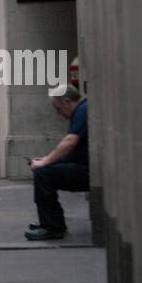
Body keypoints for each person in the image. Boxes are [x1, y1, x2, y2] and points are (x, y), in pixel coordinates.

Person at [25, 83, 89, 240]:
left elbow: (70, 141)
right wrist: (47, 160)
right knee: (45, 171)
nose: (59, 113)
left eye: (58, 108)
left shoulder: (82, 111)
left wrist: (45, 163)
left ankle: (53, 226)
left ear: (67, 101)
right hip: (86, 166)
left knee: (43, 174)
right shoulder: (82, 110)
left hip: (88, 171)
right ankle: (49, 222)